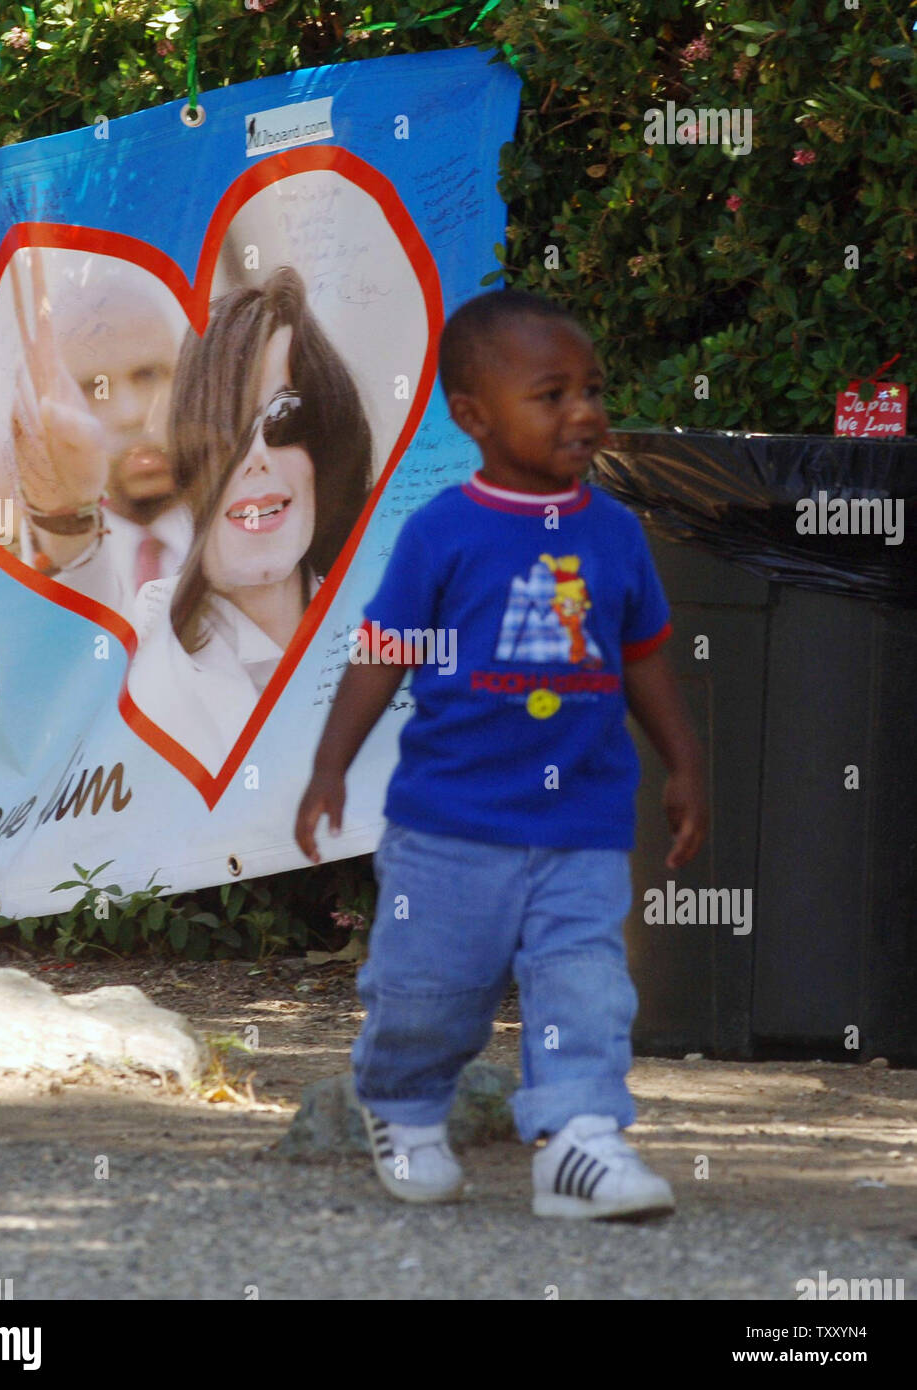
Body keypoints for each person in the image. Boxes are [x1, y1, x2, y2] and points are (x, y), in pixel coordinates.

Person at [295, 288, 709, 1220]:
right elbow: (382, 655)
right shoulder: (443, 529)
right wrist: (329, 766)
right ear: (472, 416)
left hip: (582, 823)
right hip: (449, 827)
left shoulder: (613, 531)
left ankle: (578, 1142)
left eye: (592, 390)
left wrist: (685, 762)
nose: (584, 412)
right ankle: (399, 1105)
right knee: (428, 994)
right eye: (551, 393)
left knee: (586, 984)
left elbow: (641, 656)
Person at [126, 265, 372, 773]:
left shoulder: (387, 622)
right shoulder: (148, 643)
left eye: (287, 419)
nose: (255, 454)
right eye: (229, 428)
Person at [7, 253, 191, 617]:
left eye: (150, 375)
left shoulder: (274, 534)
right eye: (94, 388)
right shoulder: (21, 583)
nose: (131, 414)